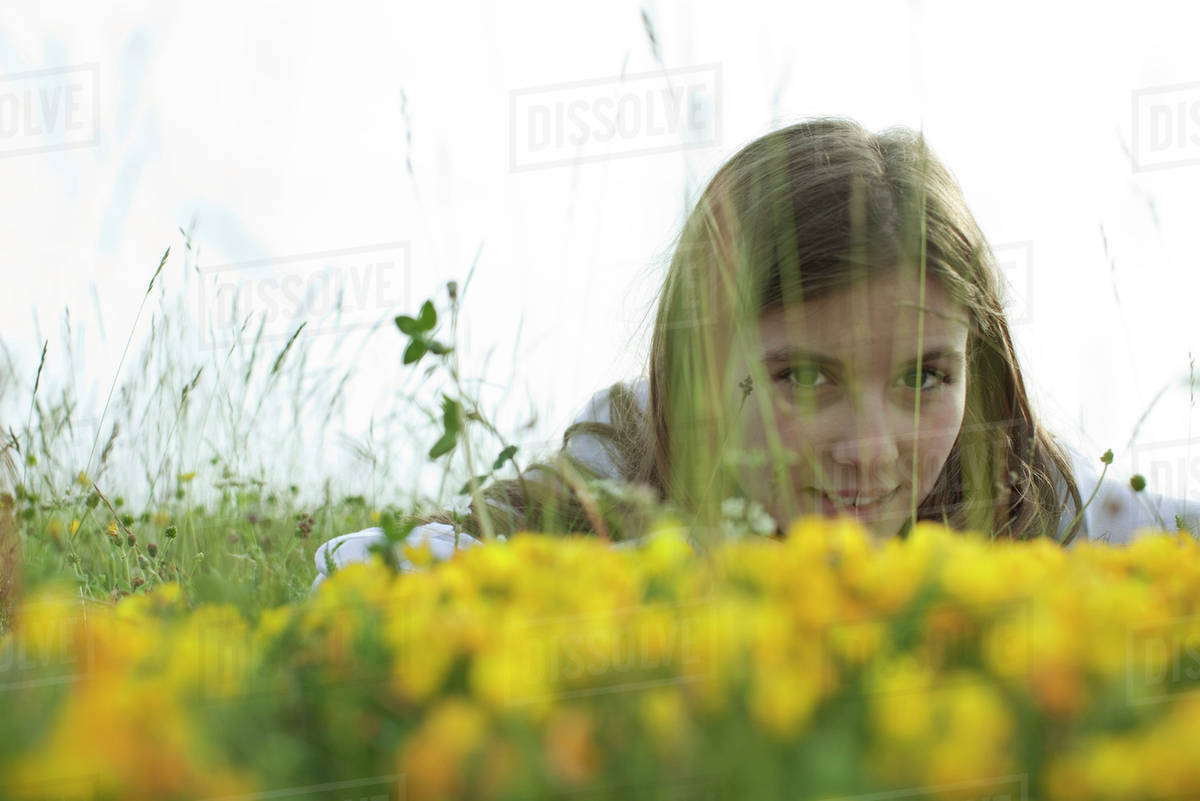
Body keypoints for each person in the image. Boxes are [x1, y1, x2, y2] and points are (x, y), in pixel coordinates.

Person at [312, 117, 1199, 591]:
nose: (869, 447)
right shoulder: (622, 458)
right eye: (804, 376)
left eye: (925, 376)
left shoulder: (1031, 488)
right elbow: (359, 568)